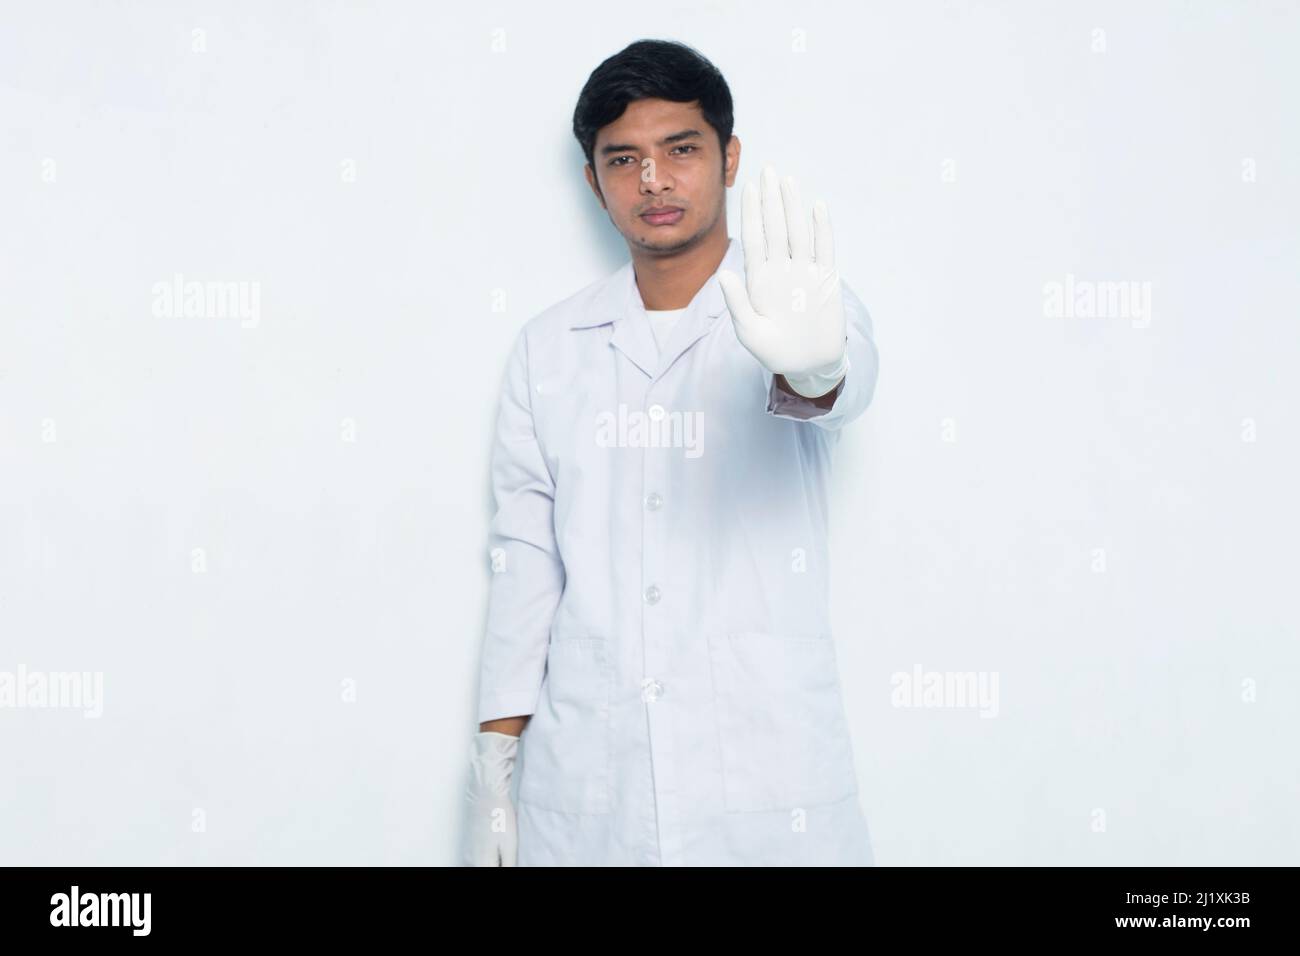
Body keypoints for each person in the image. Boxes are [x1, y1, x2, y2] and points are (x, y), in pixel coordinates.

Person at [463, 38, 880, 866]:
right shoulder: (548, 350)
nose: (653, 180)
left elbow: (839, 387)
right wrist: (494, 768)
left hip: (767, 774)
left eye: (680, 150)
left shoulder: (794, 306)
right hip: (591, 778)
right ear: (594, 180)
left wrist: (816, 361)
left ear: (728, 158)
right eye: (624, 159)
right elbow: (524, 564)